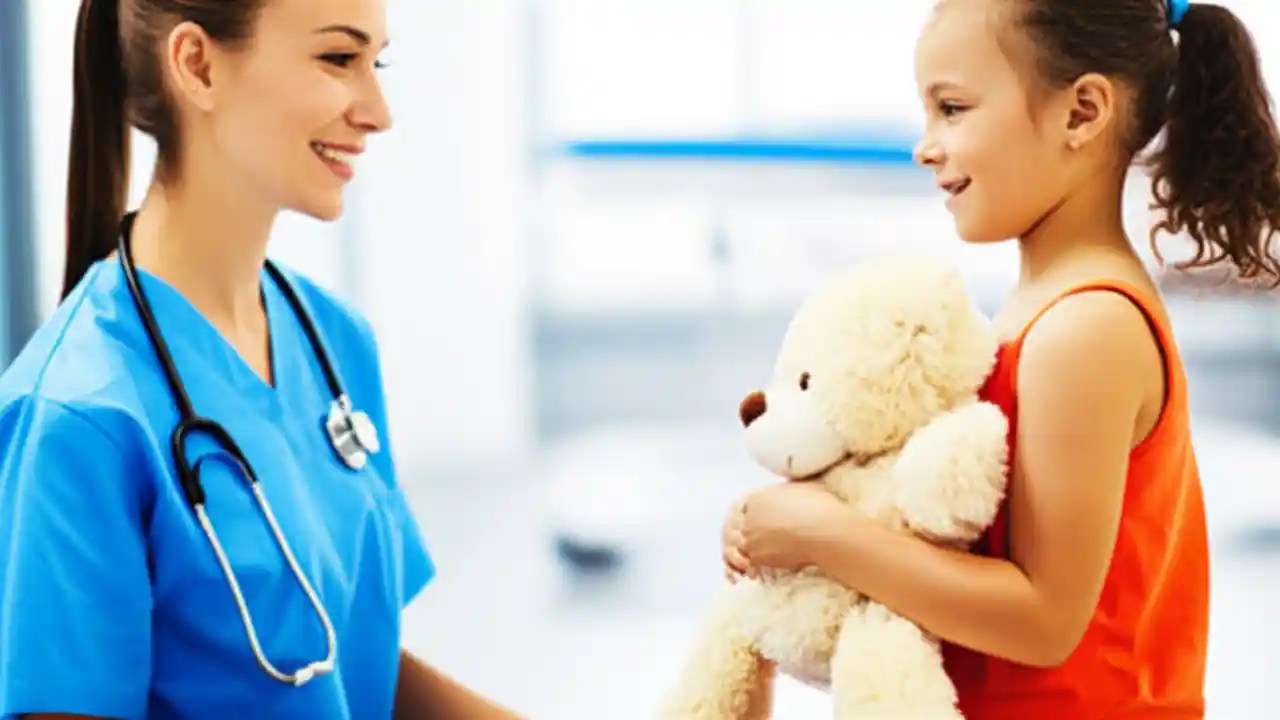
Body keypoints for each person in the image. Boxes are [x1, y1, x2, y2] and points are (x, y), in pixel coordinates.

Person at [722, 0, 1279, 717]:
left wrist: (826, 537)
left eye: (952, 109)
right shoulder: (1038, 312)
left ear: (1081, 112)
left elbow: (1044, 621)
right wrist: (802, 533)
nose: (925, 147)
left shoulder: (1087, 328)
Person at [0, 1, 525, 719]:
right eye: (339, 59)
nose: (378, 112)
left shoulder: (334, 340)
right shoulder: (77, 418)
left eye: (377, 62)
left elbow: (347, 666)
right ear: (197, 65)